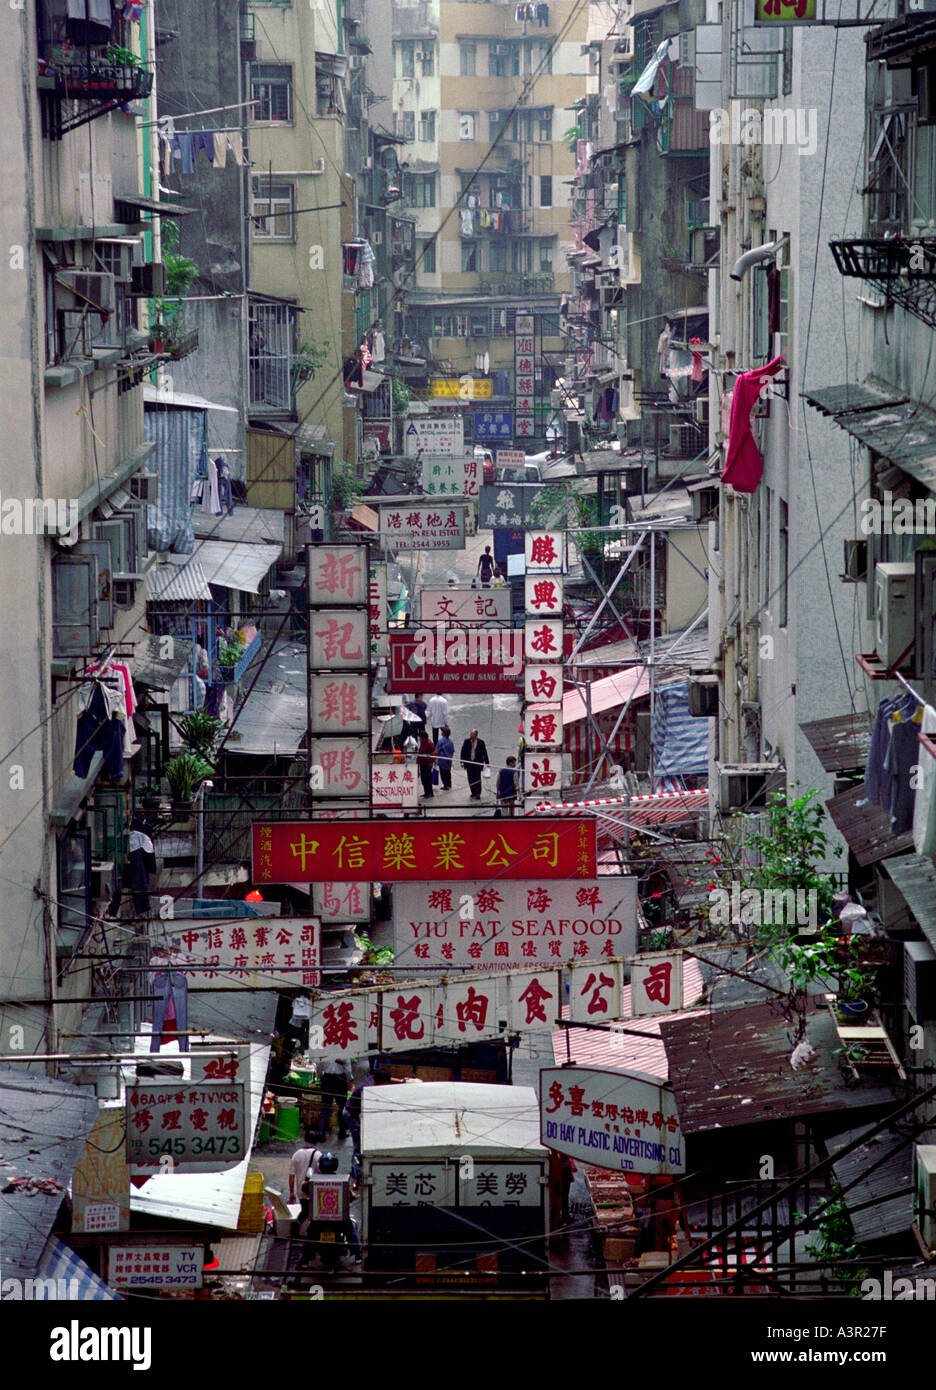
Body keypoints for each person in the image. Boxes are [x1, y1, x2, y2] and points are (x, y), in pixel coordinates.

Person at [343, 1066, 393, 1160]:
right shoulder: (368, 1089)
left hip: (355, 1112)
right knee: (359, 1141)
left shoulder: (373, 1079)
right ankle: (356, 1165)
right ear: (381, 1081)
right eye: (386, 1083)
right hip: (351, 1114)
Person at [317, 1055, 352, 1141]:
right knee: (342, 1107)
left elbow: (319, 1067)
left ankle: (321, 1133)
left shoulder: (325, 1050)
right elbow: (348, 1069)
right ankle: (342, 1132)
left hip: (327, 1079)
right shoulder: (344, 1050)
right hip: (340, 1081)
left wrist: (321, 1077)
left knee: (325, 1107)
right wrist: (349, 1080)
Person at [460, 728, 490, 801]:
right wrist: (462, 762)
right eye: (470, 734)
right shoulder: (466, 741)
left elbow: (484, 753)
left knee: (477, 779)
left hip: (477, 764)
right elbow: (463, 752)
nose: (471, 736)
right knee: (470, 779)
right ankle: (473, 792)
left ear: (476, 735)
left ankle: (478, 793)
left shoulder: (481, 742)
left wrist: (487, 762)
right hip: (469, 764)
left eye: (473, 734)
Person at [416, 732, 436, 799]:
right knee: (423, 779)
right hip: (422, 763)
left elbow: (434, 754)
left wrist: (431, 763)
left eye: (421, 738)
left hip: (427, 764)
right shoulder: (422, 743)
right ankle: (426, 792)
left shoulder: (430, 743)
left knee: (428, 779)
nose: (420, 739)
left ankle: (430, 792)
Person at [435, 725, 455, 790]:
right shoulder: (451, 741)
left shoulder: (441, 741)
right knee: (448, 773)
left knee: (443, 773)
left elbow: (437, 750)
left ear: (443, 733)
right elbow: (453, 750)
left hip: (442, 760)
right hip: (449, 760)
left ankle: (445, 785)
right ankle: (449, 784)